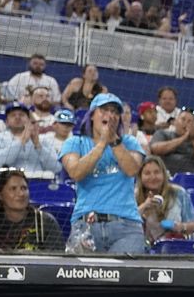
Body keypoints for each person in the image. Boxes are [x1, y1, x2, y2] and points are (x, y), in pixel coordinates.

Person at [60, 93, 148, 253]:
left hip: (127, 227)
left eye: (115, 112)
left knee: (125, 270)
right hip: (86, 224)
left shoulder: (130, 143)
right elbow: (75, 172)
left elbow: (132, 169)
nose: (110, 115)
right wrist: (102, 143)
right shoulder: (75, 142)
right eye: (104, 110)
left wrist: (113, 141)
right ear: (92, 115)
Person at [0, 167, 64, 251]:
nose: (21, 194)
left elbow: (57, 257)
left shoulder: (44, 222)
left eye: (24, 188)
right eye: (13, 189)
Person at [134, 156, 194, 244]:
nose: (153, 177)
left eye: (157, 172)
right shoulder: (133, 195)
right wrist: (144, 206)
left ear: (164, 174)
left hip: (173, 245)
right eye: (147, 173)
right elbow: (125, 223)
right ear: (140, 176)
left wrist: (181, 227)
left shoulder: (179, 193)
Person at [0, 102, 61, 173]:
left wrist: (38, 146)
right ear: (7, 122)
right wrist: (20, 142)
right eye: (13, 115)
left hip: (38, 180)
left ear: (29, 120)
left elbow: (56, 168)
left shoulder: (42, 139)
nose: (17, 117)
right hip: (9, 180)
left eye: (21, 115)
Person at [150, 108, 194, 174]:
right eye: (183, 119)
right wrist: (184, 138)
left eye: (189, 121)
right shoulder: (162, 134)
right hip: (166, 175)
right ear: (175, 122)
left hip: (191, 177)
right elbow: (155, 150)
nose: (186, 123)